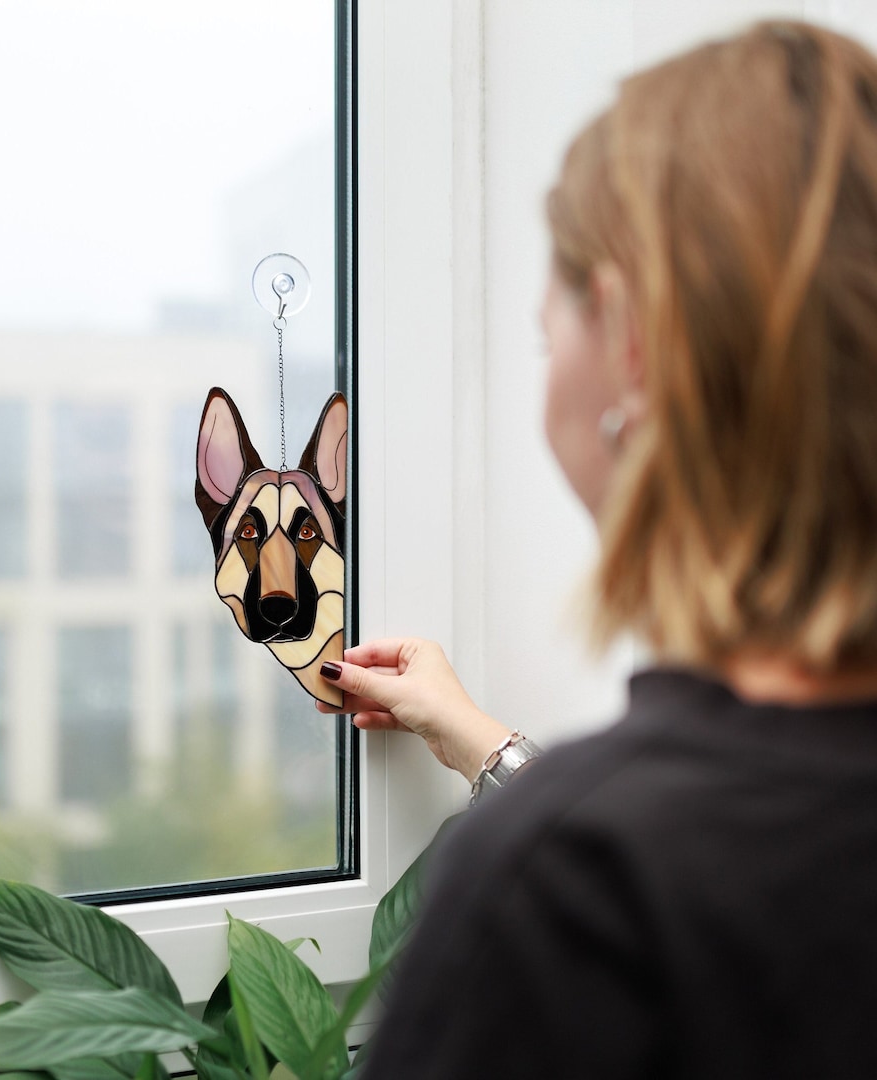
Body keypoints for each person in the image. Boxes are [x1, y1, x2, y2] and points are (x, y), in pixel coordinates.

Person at [317, 19, 877, 1078]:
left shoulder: (566, 893)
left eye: (546, 334)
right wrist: (487, 747)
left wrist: (556, 829)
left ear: (627, 340)